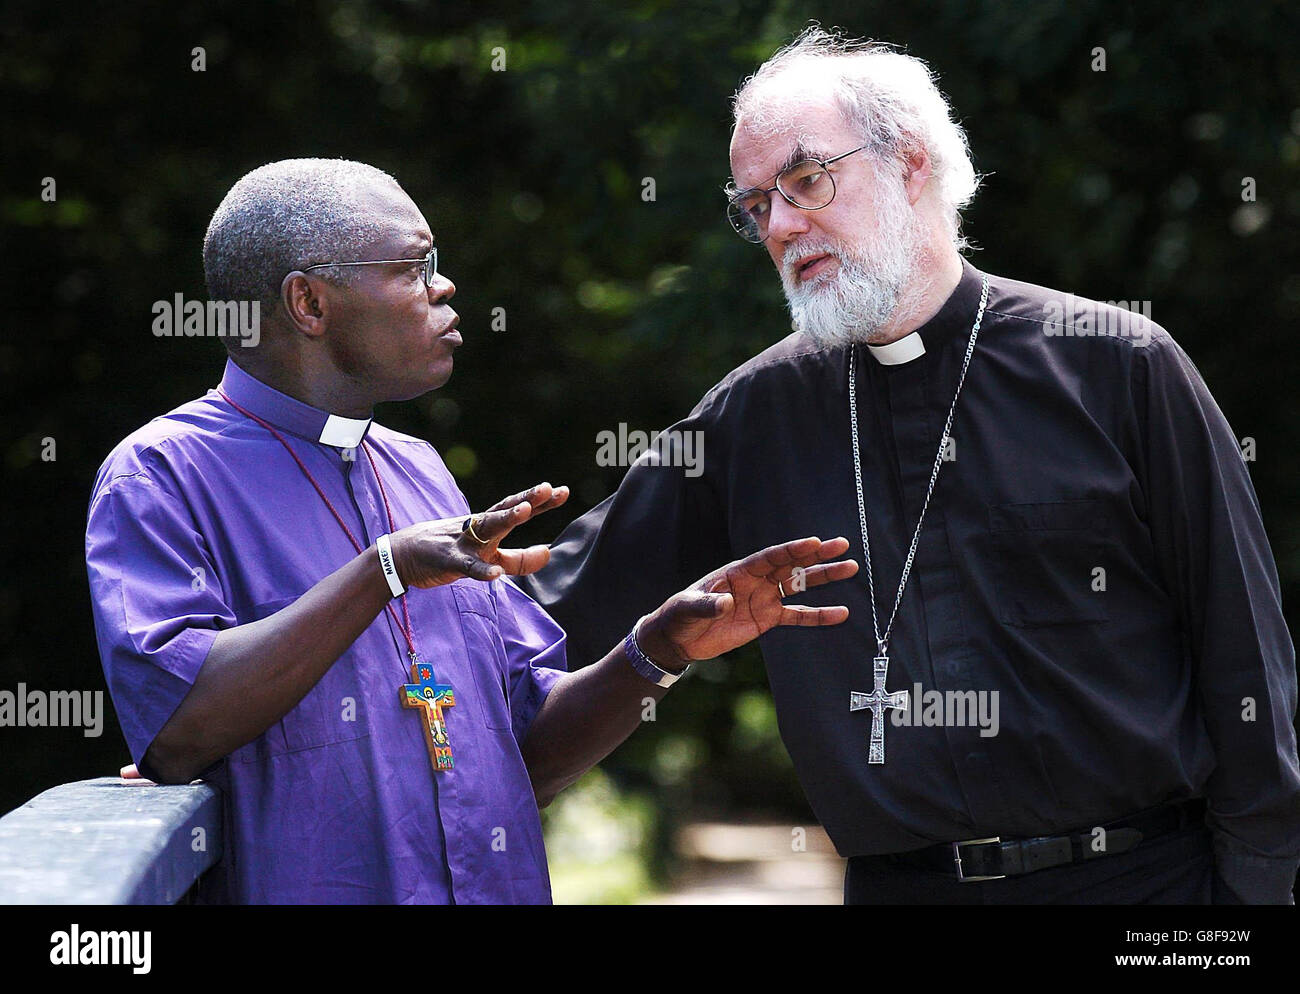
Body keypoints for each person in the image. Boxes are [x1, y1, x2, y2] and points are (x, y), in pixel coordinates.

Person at [521, 28, 1300, 904]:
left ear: (912, 166)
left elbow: (1245, 661)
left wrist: (1254, 899)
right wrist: (388, 591)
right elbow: (548, 603)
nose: (779, 225)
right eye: (754, 205)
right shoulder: (757, 413)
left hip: (1144, 885)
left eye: (806, 181)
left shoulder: (1118, 365)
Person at [85, 158, 856, 904]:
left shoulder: (419, 469)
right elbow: (178, 729)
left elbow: (527, 752)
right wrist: (381, 571)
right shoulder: (161, 475)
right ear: (310, 304)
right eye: (415, 266)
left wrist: (657, 651)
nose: (444, 286)